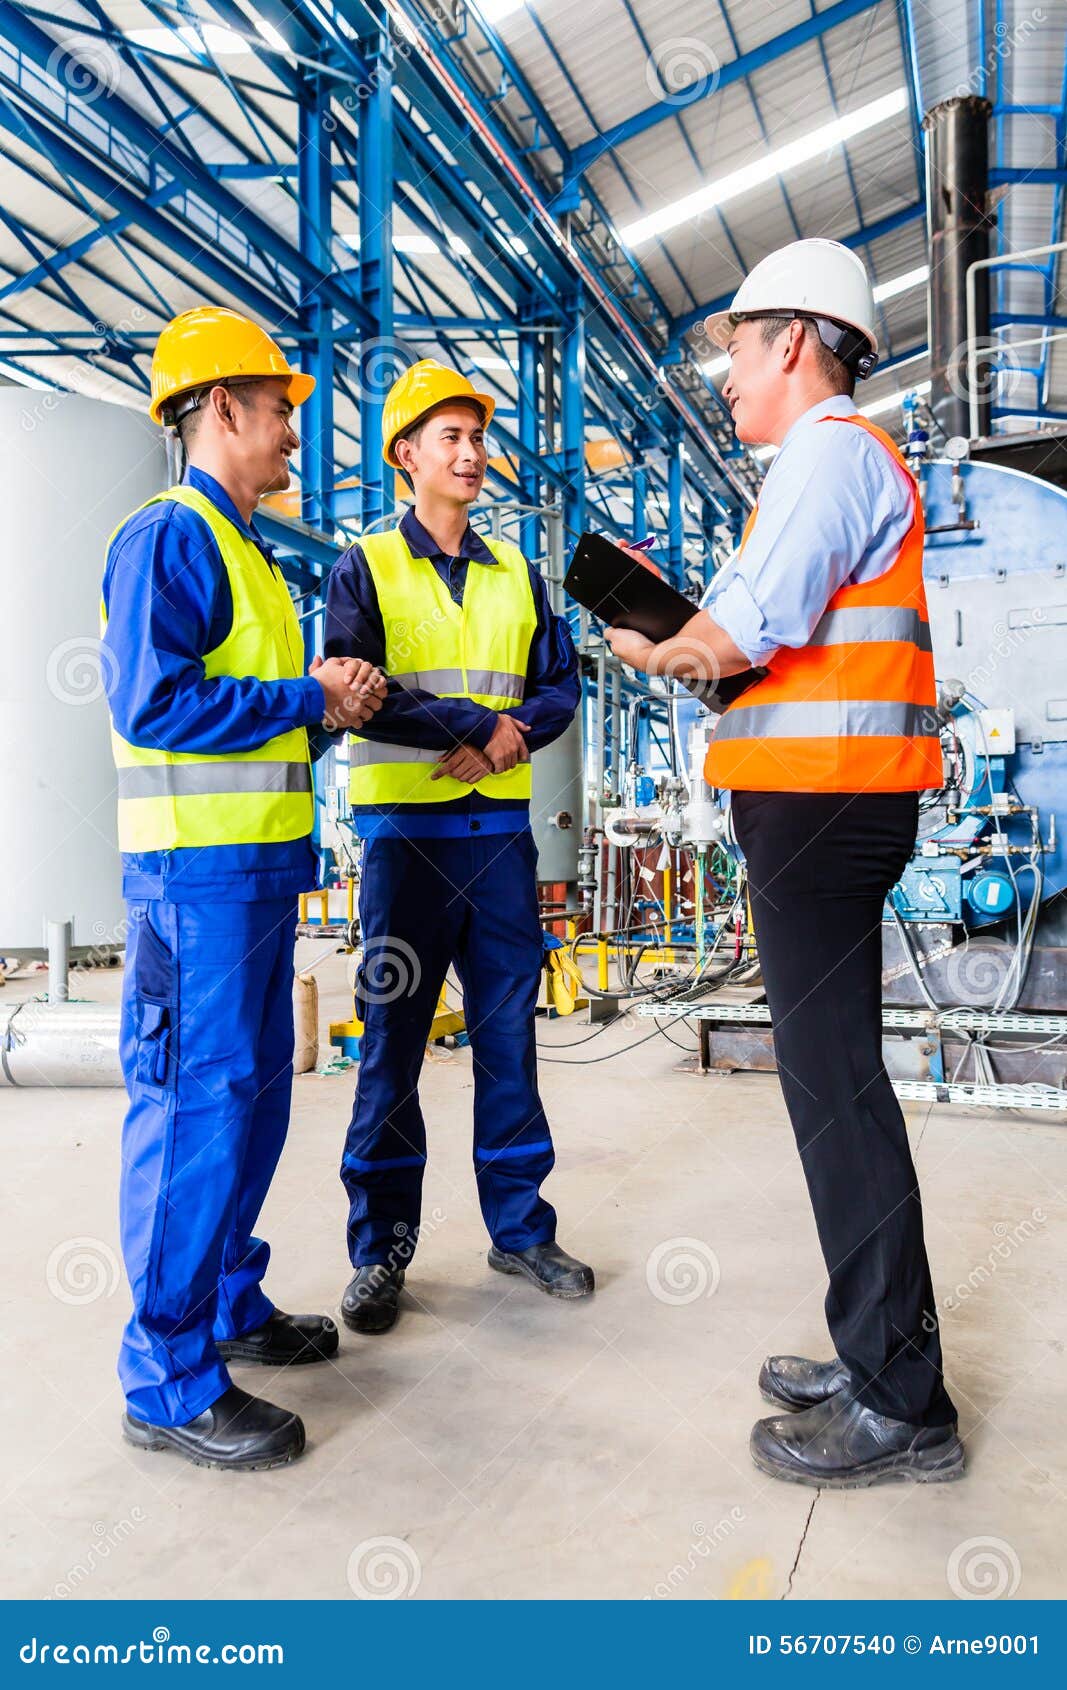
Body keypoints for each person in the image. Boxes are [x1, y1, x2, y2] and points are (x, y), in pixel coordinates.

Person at [606, 240, 963, 1489]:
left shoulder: (823, 454)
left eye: (737, 347)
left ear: (797, 341)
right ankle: (872, 1349)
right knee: (833, 1083)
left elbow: (735, 635)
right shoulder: (829, 464)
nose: (724, 376)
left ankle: (898, 1397)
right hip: (824, 809)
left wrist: (653, 647)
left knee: (834, 1091)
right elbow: (772, 642)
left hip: (822, 810)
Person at [101, 306, 386, 1471]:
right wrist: (302, 700)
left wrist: (332, 708)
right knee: (196, 1110)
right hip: (194, 882)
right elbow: (150, 703)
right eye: (276, 412)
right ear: (219, 408)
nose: (288, 436)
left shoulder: (251, 554)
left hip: (259, 875)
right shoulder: (169, 539)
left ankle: (224, 1304)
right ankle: (166, 1378)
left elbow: (262, 727)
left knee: (255, 1102)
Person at [324, 359, 594, 1333]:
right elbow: (359, 687)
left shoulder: (518, 571)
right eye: (452, 437)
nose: (473, 452)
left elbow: (559, 685)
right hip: (404, 843)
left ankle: (519, 1229)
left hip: (499, 844)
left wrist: (514, 732)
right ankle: (380, 1251)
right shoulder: (362, 565)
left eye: (479, 438)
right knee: (391, 1048)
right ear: (405, 455)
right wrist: (478, 727)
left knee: (508, 1040)